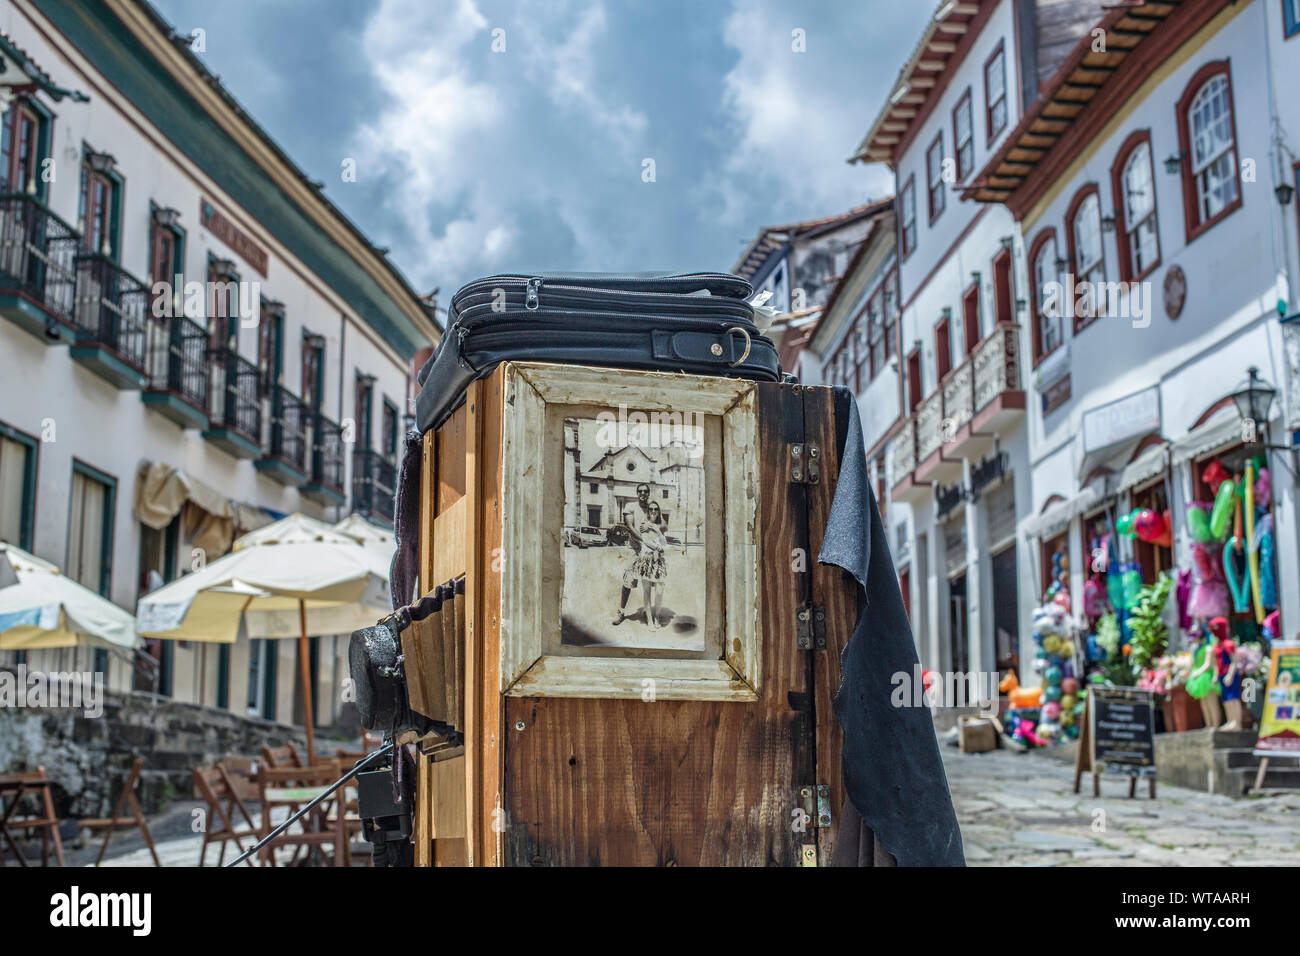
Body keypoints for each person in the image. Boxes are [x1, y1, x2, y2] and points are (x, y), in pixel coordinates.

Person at [611, 482, 664, 625]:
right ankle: (621, 612)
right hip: (635, 549)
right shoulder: (630, 507)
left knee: (650, 582)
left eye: (645, 491)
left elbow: (664, 525)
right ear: (637, 493)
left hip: (649, 550)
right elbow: (630, 527)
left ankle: (647, 611)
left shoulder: (652, 507)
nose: (642, 494)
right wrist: (643, 541)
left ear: (648, 493)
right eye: (640, 491)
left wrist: (653, 527)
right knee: (629, 580)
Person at [634, 501, 668, 630]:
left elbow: (664, 542)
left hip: (658, 561)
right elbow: (646, 540)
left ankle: (657, 616)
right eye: (651, 509)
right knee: (647, 591)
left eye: (656, 509)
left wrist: (658, 531)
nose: (653, 511)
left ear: (658, 511)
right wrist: (659, 548)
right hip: (647, 560)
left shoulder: (658, 526)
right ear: (648, 511)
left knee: (659, 591)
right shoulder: (644, 524)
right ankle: (650, 621)